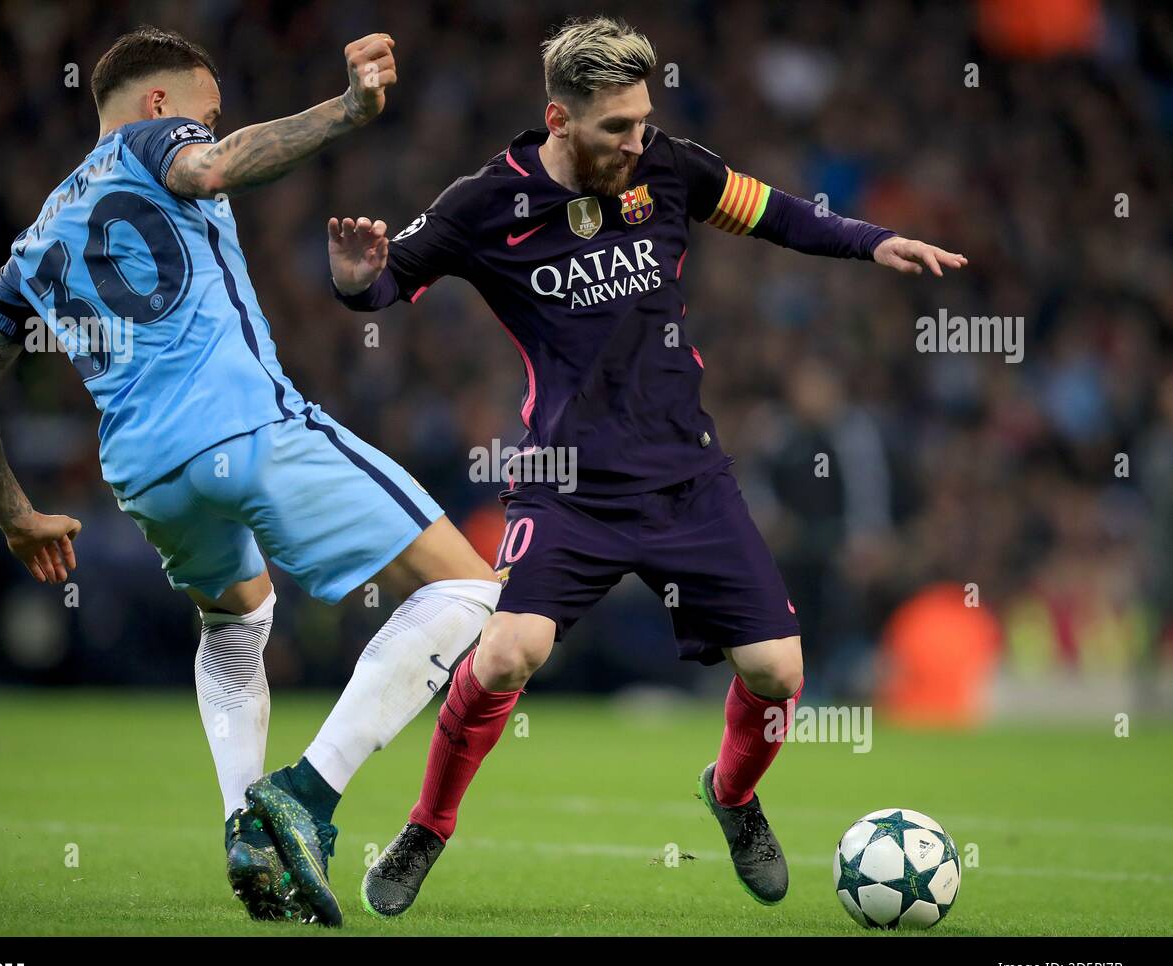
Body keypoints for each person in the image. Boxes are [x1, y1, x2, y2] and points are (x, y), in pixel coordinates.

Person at [328, 15, 965, 916]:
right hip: (567, 488)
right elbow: (388, 281)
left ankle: (733, 797)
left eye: (642, 119)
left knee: (780, 673)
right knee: (507, 653)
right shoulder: (485, 204)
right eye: (616, 128)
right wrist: (358, 277)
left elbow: (778, 213)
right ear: (559, 119)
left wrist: (872, 241)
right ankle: (429, 825)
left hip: (686, 479)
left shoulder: (670, 167)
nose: (638, 140)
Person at [0, 26, 498, 928]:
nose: (212, 127)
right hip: (246, 425)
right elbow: (211, 170)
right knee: (474, 591)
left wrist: (17, 517)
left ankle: (245, 825)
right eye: (207, 111)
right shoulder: (154, 141)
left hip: (148, 475)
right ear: (161, 104)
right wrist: (349, 110)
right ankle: (307, 796)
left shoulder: (39, 233)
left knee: (238, 619)